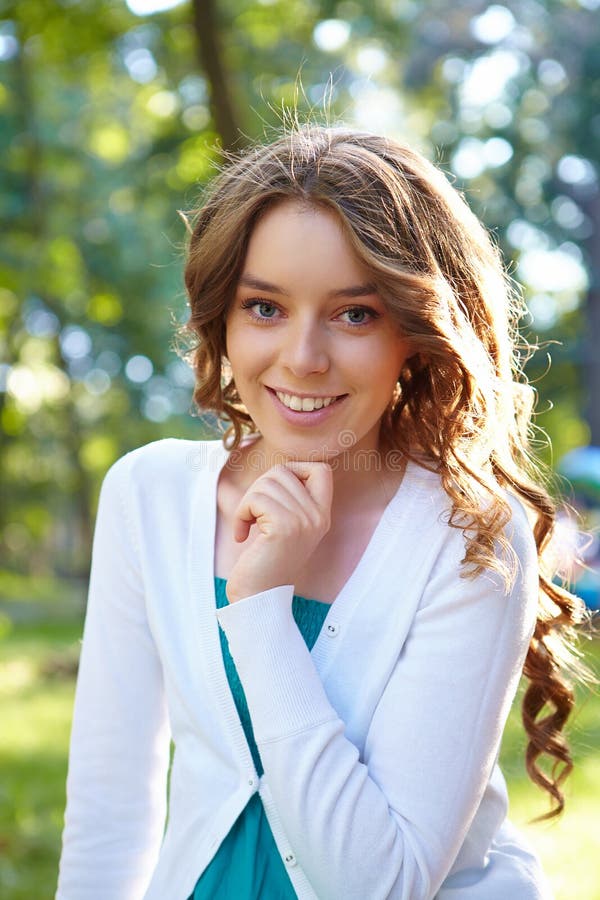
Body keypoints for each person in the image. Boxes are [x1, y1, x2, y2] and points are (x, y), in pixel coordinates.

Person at [56, 125, 587, 900]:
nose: (303, 358)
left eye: (354, 315)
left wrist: (261, 609)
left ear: (416, 332)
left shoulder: (472, 535)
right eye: (265, 307)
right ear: (222, 320)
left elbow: (382, 884)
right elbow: (109, 814)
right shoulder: (150, 496)